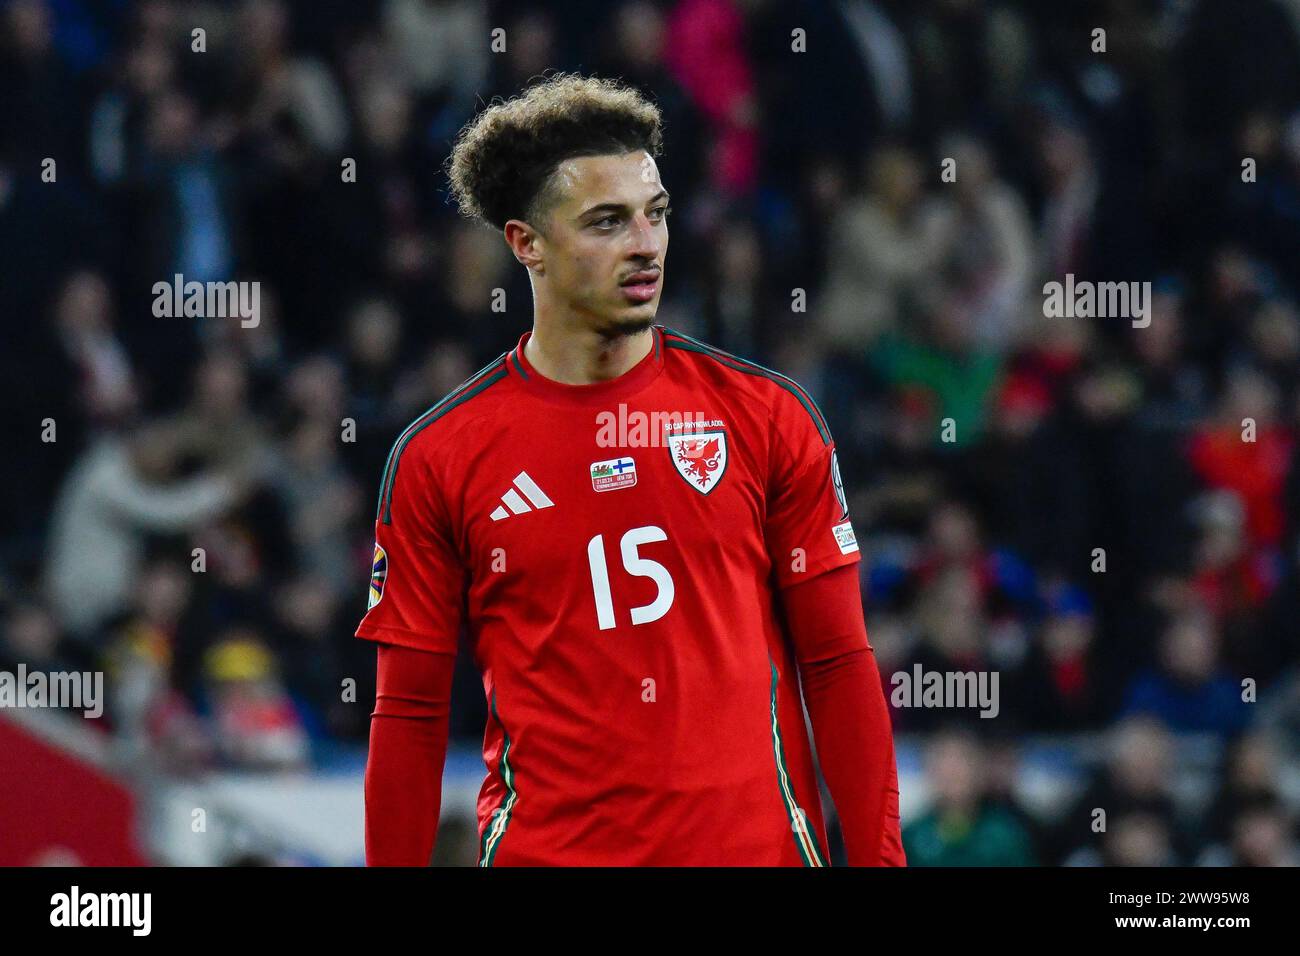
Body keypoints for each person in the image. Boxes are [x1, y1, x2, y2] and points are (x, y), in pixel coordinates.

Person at [357, 73, 903, 867]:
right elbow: (407, 713)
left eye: (656, 215)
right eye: (607, 222)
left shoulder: (764, 417)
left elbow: (839, 661)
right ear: (526, 243)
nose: (645, 244)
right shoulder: (440, 457)